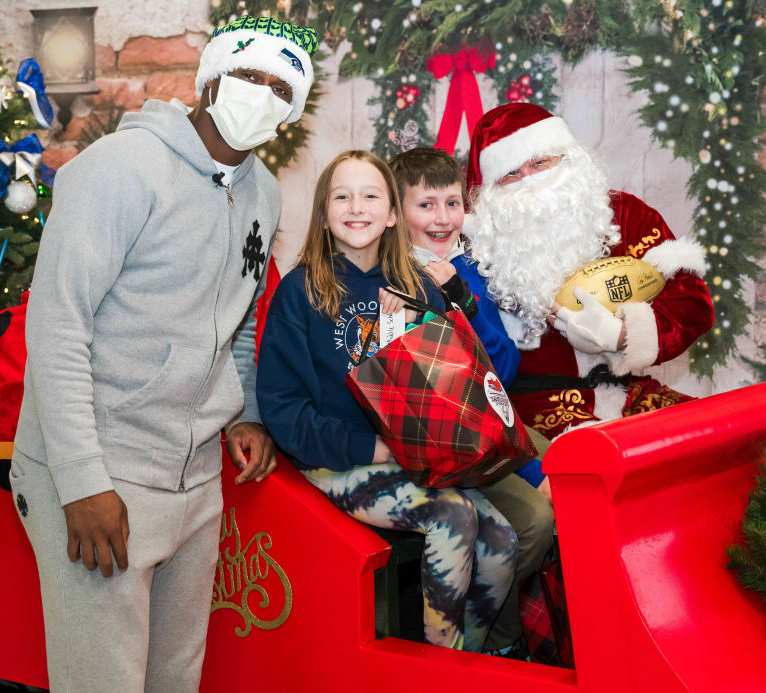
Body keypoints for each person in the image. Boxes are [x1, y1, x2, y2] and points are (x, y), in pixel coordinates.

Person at [9, 16, 316, 693]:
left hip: (194, 480)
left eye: (280, 87)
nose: (260, 95)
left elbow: (237, 316)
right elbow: (57, 328)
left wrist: (245, 414)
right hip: (99, 469)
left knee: (172, 692)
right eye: (248, 77)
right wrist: (83, 484)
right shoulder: (118, 169)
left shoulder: (263, 194)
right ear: (210, 81)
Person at [256, 150, 518, 652]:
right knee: (454, 517)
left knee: (502, 537)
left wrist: (412, 324)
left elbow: (460, 380)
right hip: (337, 460)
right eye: (342, 195)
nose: (357, 206)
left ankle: (481, 664)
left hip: (413, 457)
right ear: (324, 212)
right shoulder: (300, 292)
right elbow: (282, 408)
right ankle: (439, 677)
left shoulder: (416, 284)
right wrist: (371, 448)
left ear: (392, 213)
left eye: (371, 195)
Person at [464, 103, 715, 499]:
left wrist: (622, 335)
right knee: (593, 485)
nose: (529, 181)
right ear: (490, 194)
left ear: (566, 158)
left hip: (633, 391)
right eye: (511, 174)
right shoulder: (479, 249)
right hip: (535, 406)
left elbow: (693, 302)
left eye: (540, 163)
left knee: (713, 445)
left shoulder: (623, 215)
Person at [388, 147, 553, 659]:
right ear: (397, 212)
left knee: (571, 478)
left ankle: (518, 627)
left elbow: (502, 367)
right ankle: (496, 642)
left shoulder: (464, 264)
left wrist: (461, 293)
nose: (442, 218)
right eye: (426, 205)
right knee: (534, 520)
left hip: (485, 418)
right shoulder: (393, 277)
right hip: (436, 439)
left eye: (452, 203)